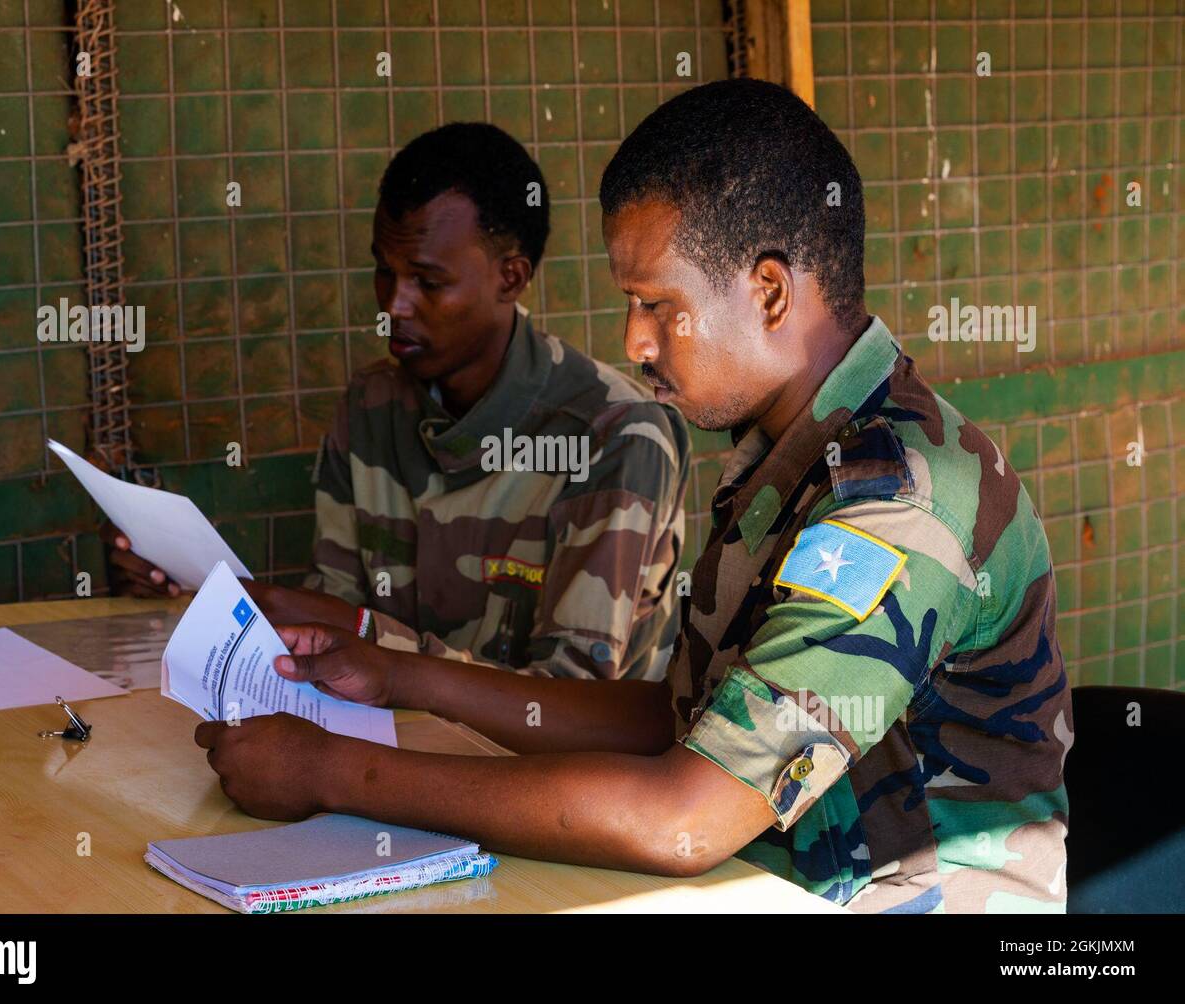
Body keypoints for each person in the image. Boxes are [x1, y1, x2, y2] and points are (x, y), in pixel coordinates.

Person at [194, 81, 1071, 913]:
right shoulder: (784, 457)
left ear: (768, 291)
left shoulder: (899, 504)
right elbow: (677, 718)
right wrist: (400, 677)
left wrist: (329, 773)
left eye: (656, 304)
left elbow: (686, 813)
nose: (635, 341)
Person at [106, 122, 689, 680]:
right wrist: (191, 589)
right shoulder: (370, 408)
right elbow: (328, 617)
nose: (394, 305)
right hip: (392, 754)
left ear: (510, 278)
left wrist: (361, 640)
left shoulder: (616, 435)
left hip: (556, 777)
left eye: (427, 282)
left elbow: (570, 700)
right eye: (384, 273)